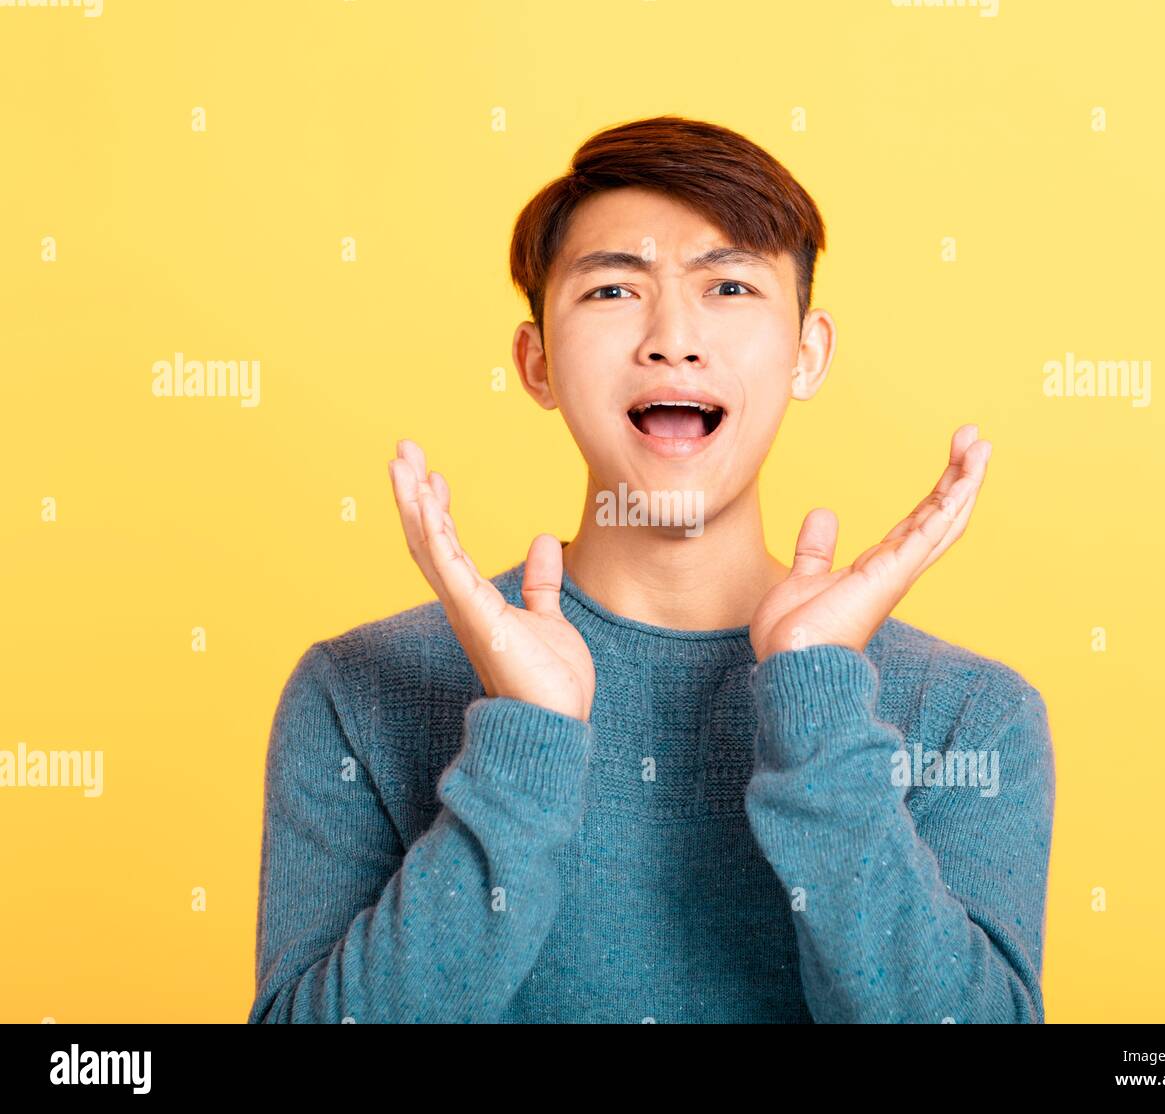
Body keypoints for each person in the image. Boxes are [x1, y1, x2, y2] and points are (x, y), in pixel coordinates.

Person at [248, 115, 1055, 1024]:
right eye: (612, 292)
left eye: (731, 286)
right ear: (538, 361)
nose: (673, 337)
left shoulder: (969, 715)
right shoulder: (359, 691)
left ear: (808, 352)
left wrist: (822, 709)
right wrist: (527, 744)